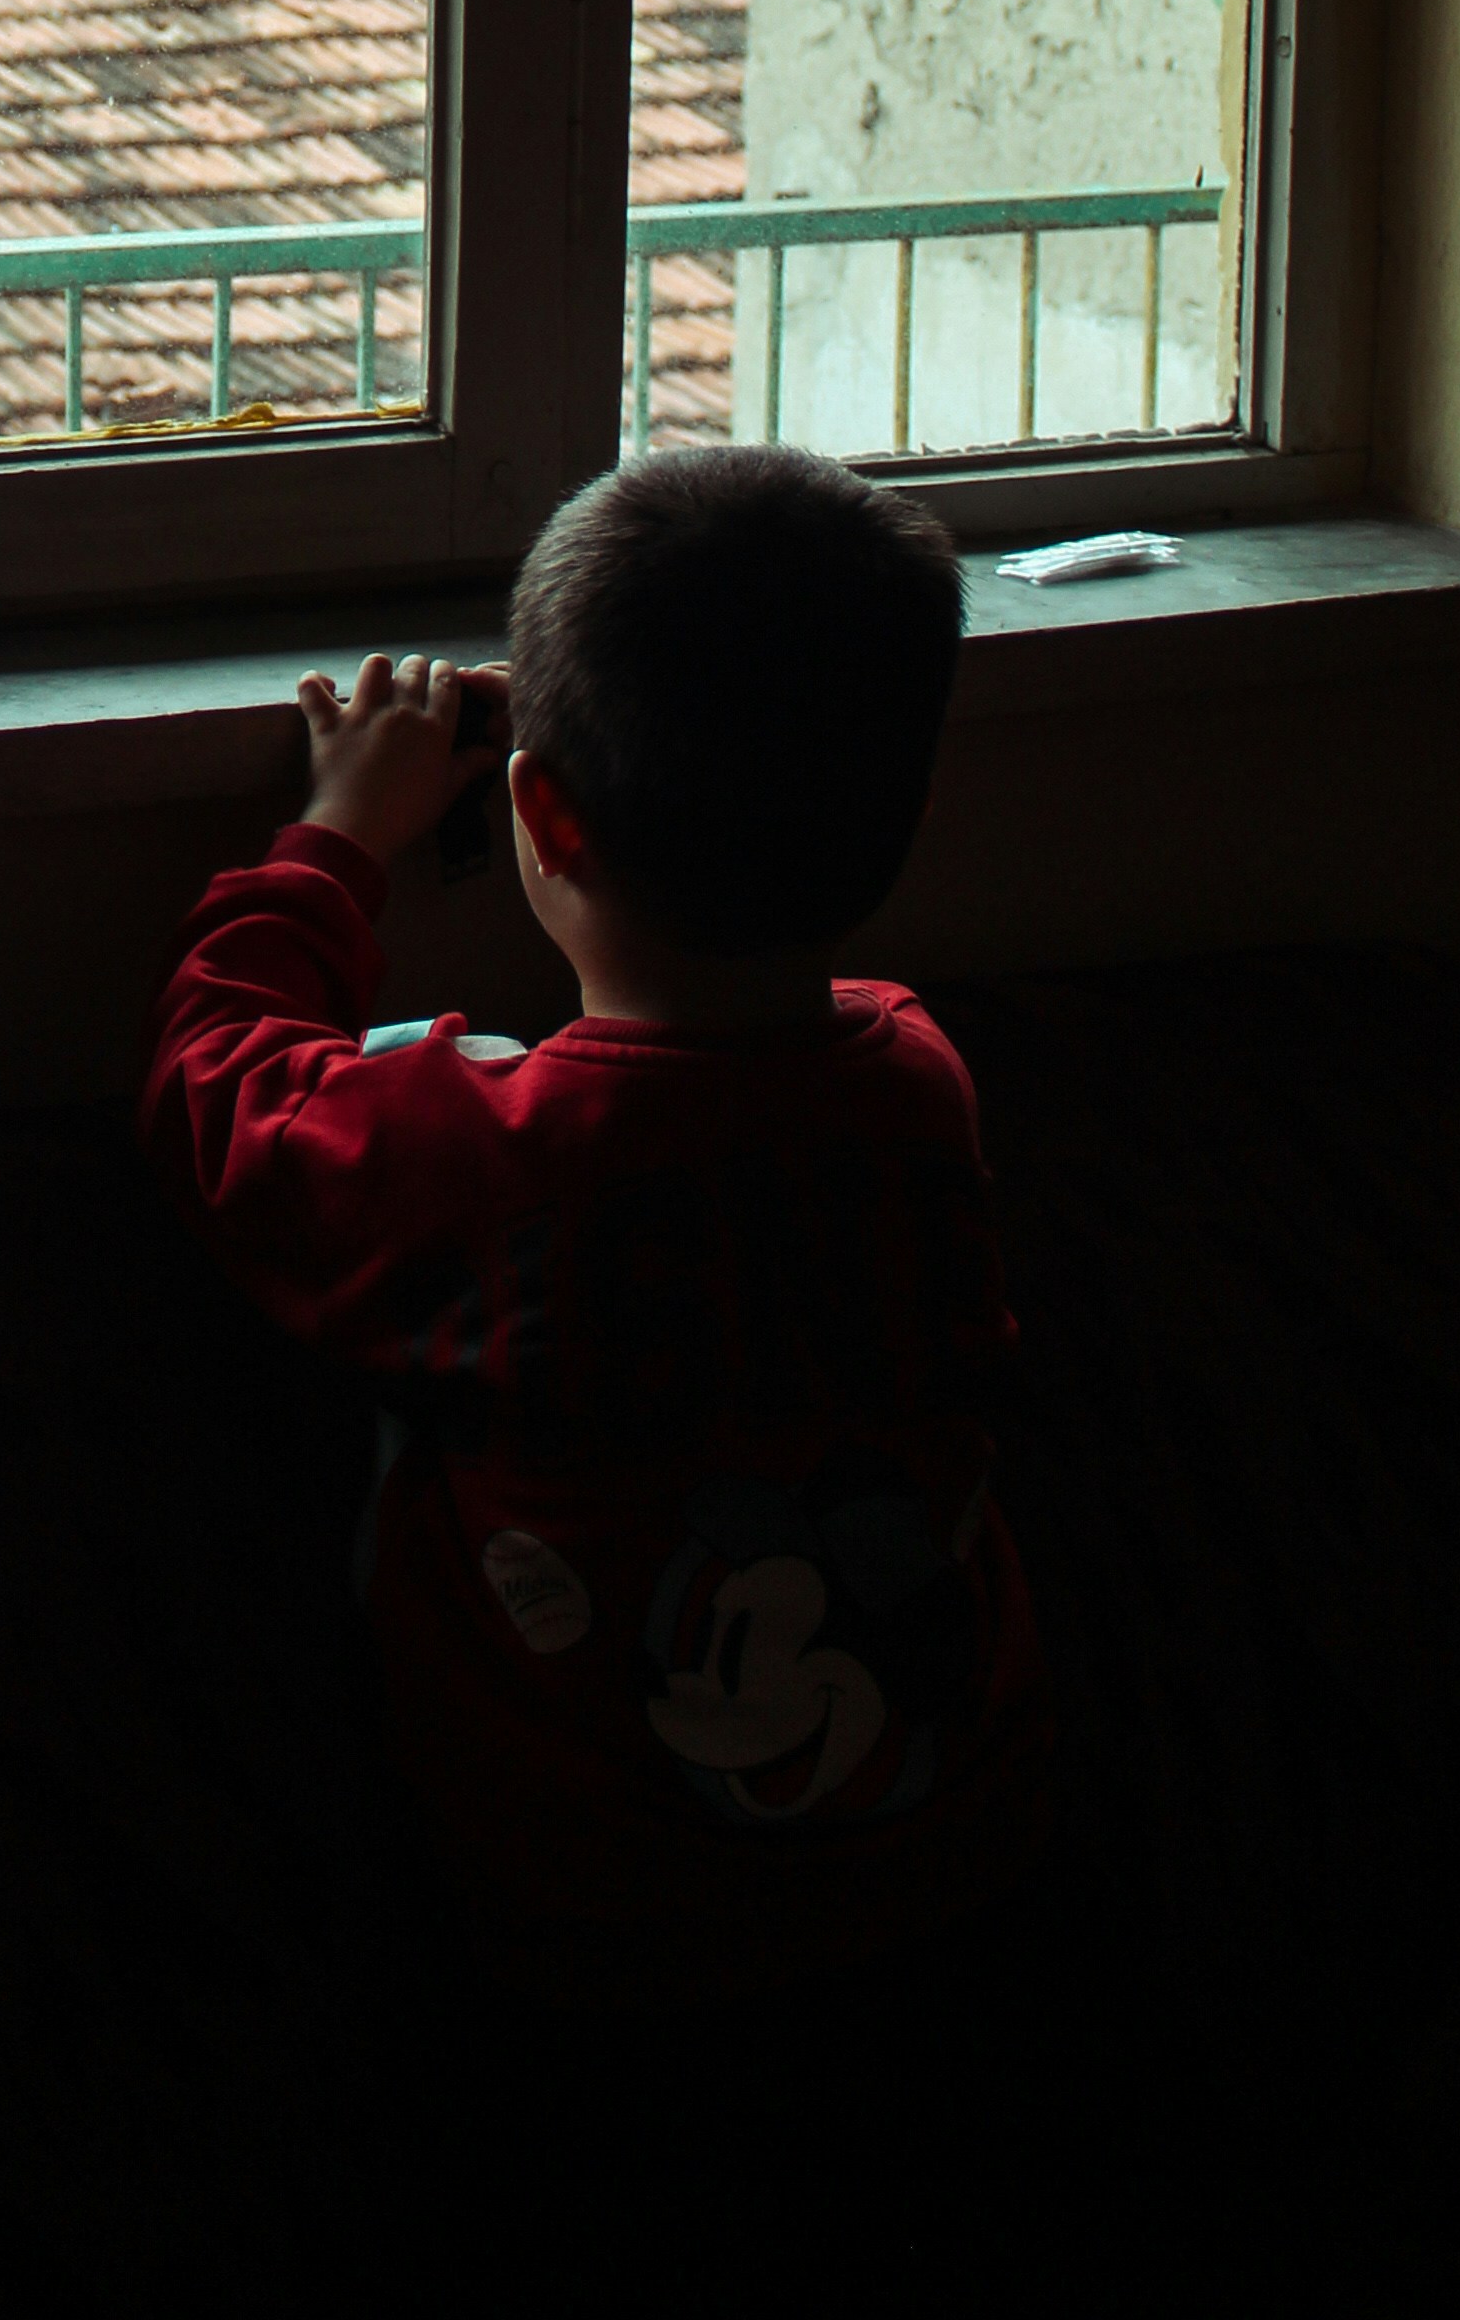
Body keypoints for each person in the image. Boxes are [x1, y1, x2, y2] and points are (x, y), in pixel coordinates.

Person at [140, 441, 1052, 2014]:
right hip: (951, 1871)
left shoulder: (479, 1152)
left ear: (541, 819)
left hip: (578, 1925)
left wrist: (342, 833)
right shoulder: (919, 1088)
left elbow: (214, 1089)